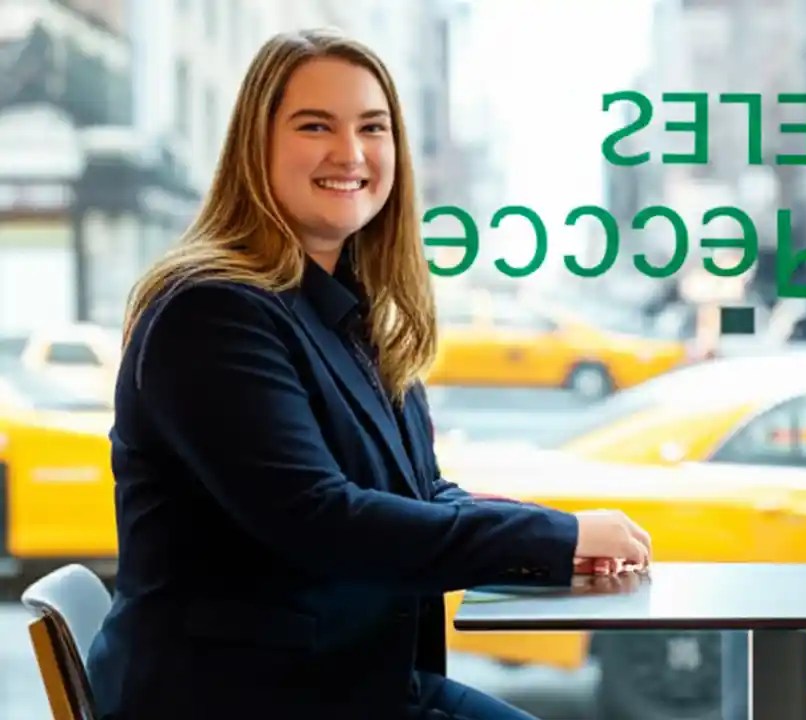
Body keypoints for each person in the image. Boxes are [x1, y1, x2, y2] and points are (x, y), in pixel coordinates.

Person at [85, 28, 651, 720]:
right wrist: (555, 539)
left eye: (372, 128)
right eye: (314, 125)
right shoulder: (211, 312)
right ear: (254, 146)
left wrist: (557, 540)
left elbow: (423, 491)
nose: (350, 153)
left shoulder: (342, 312)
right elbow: (321, 520)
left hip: (352, 688)